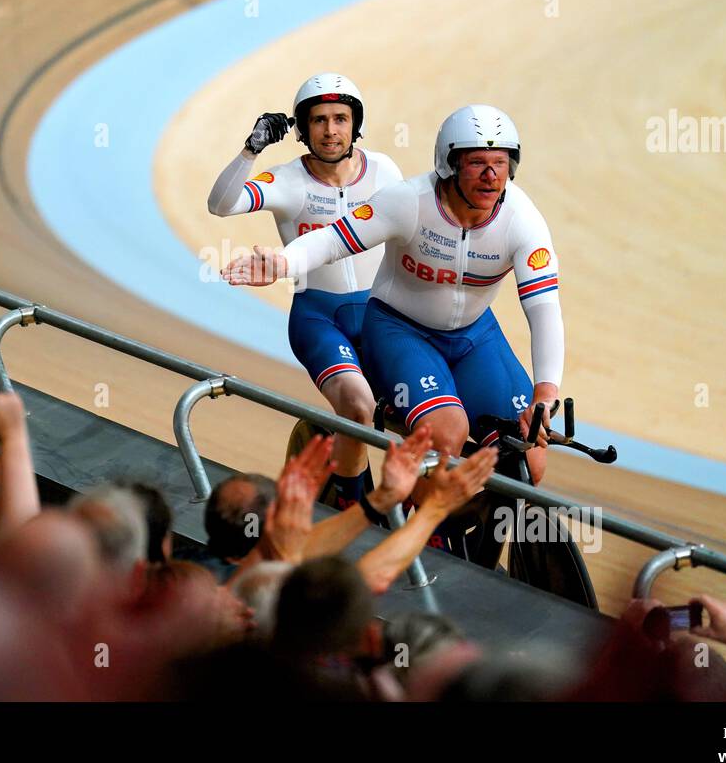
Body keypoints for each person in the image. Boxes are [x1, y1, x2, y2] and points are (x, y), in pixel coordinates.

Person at [223, 104, 563, 497]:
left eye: (501, 163)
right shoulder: (410, 201)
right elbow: (334, 240)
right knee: (447, 433)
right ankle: (422, 543)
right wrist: (283, 262)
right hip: (401, 330)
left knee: (530, 462)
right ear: (450, 165)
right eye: (477, 163)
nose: (491, 176)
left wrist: (546, 392)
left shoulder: (522, 219)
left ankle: (478, 547)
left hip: (475, 337)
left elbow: (543, 309)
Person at [208, 73, 403, 510]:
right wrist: (250, 149)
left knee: (425, 421)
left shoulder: (385, 170)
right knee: (358, 407)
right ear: (301, 128)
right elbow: (220, 204)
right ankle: (357, 514)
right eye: (318, 120)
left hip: (385, 316)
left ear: (356, 125)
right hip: (321, 318)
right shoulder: (287, 181)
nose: (330, 130)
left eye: (340, 119)